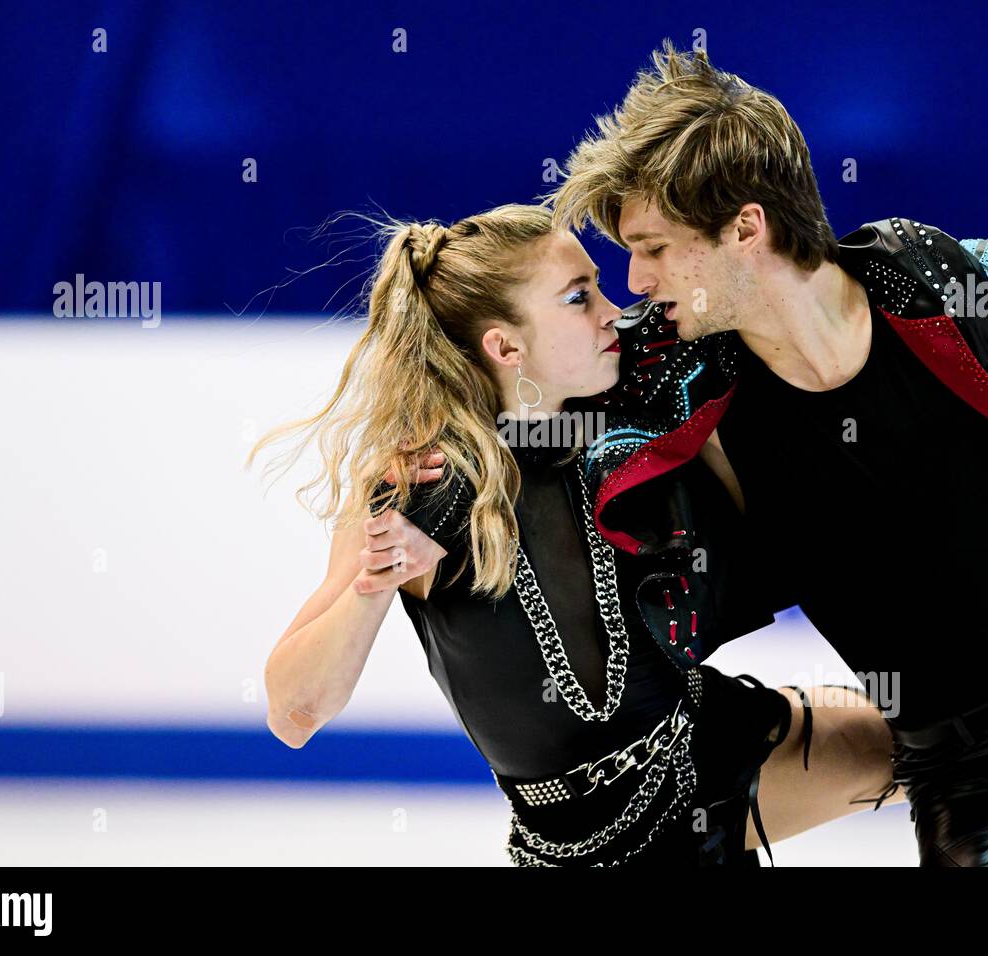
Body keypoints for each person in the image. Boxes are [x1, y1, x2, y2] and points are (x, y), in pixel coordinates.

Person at [548, 39, 988, 866]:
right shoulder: (674, 372)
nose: (636, 281)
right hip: (986, 775)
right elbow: (514, 387)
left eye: (653, 247)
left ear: (746, 225)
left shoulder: (922, 279)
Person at [252, 203, 904, 867]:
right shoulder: (424, 487)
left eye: (597, 285)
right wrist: (371, 586)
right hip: (581, 842)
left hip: (704, 745)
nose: (608, 311)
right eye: (578, 297)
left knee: (941, 747)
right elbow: (293, 714)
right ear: (507, 347)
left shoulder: (618, 405)